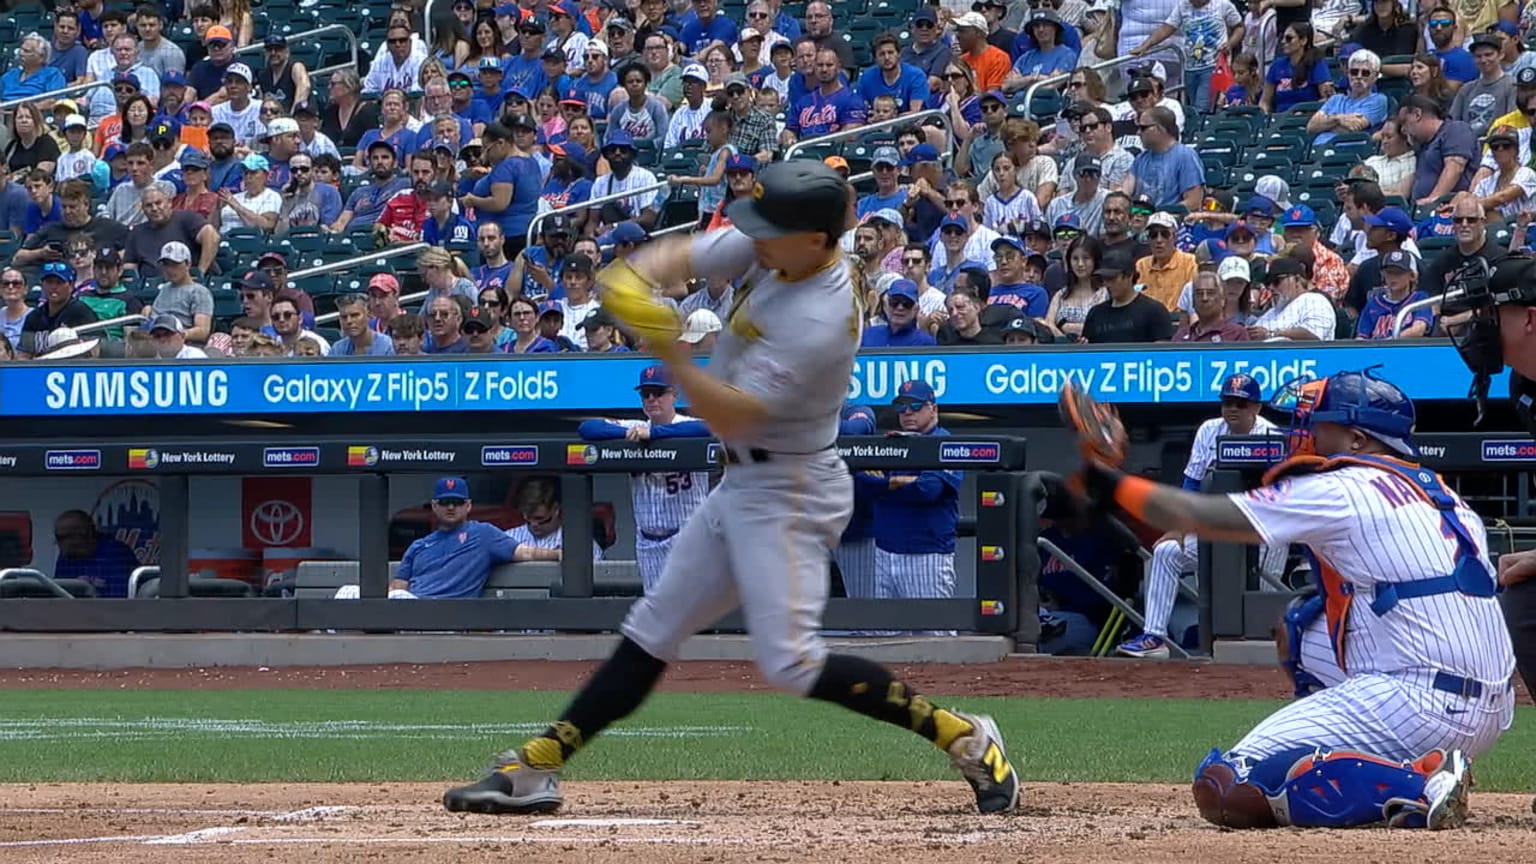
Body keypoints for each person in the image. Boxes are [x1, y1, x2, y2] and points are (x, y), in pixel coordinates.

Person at [442, 159, 1019, 818]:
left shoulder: (823, 318)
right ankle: (535, 768)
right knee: (651, 629)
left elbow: (732, 413)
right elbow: (683, 253)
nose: (755, 238)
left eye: (770, 230)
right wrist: (633, 279)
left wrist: (669, 347)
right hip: (740, 481)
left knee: (793, 664)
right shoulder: (780, 239)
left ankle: (967, 737)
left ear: (815, 239)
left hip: (793, 489)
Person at [1074, 368, 1509, 830]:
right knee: (1301, 627)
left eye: (1319, 422)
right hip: (1492, 707)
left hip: (1421, 704)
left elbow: (1194, 513)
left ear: (1358, 439)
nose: (1303, 432)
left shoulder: (1343, 487)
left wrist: (1104, 479)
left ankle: (1420, 783)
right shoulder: (1442, 493)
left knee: (1227, 785)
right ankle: (1356, 755)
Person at [1115, 375, 1278, 658]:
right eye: (1227, 402)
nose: (1233, 409)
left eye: (1241, 403)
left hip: (1263, 527)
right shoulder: (1209, 430)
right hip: (1215, 524)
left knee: (1262, 592)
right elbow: (1192, 481)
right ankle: (1154, 637)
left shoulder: (1273, 437)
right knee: (1166, 551)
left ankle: (1271, 648)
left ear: (1257, 407)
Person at [577, 365, 711, 595]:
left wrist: (655, 435)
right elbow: (588, 427)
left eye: (658, 393)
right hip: (647, 540)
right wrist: (627, 435)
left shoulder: (687, 425)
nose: (651, 399)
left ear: (674, 395)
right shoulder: (635, 428)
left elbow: (709, 427)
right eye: (645, 394)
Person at [857, 379, 961, 621]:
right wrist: (897, 482)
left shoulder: (945, 441)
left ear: (933, 408)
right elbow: (862, 483)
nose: (907, 413)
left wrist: (884, 484)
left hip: (926, 554)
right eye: (901, 408)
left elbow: (928, 490)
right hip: (884, 553)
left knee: (934, 635)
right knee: (885, 636)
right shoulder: (891, 442)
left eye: (915, 406)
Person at [338, 477, 517, 600]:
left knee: (398, 599)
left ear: (468, 505)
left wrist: (546, 554)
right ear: (434, 506)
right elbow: (398, 586)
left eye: (457, 502)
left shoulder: (483, 534)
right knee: (348, 592)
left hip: (448, 613)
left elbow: (525, 552)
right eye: (445, 502)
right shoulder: (419, 546)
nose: (451, 507)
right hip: (412, 608)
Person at [1083, 248, 1175, 344]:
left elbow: (1162, 353)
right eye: (1104, 279)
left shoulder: (1154, 312)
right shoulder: (1096, 313)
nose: (1107, 284)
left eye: (1111, 278)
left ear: (1129, 276)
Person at [1309, 49, 1390, 148]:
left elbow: (1353, 128)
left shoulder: (1378, 100)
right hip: (1318, 149)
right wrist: (1338, 119)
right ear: (1348, 73)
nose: (1359, 77)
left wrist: (1325, 124)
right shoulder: (1335, 99)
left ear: (1375, 76)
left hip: (1347, 151)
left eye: (1365, 73)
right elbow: (1311, 127)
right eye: (1354, 72)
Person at [52, 510, 139, 598]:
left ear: (86, 533)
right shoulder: (66, 557)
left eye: (62, 537)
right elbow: (59, 593)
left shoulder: (116, 553)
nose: (59, 543)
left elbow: (121, 599)